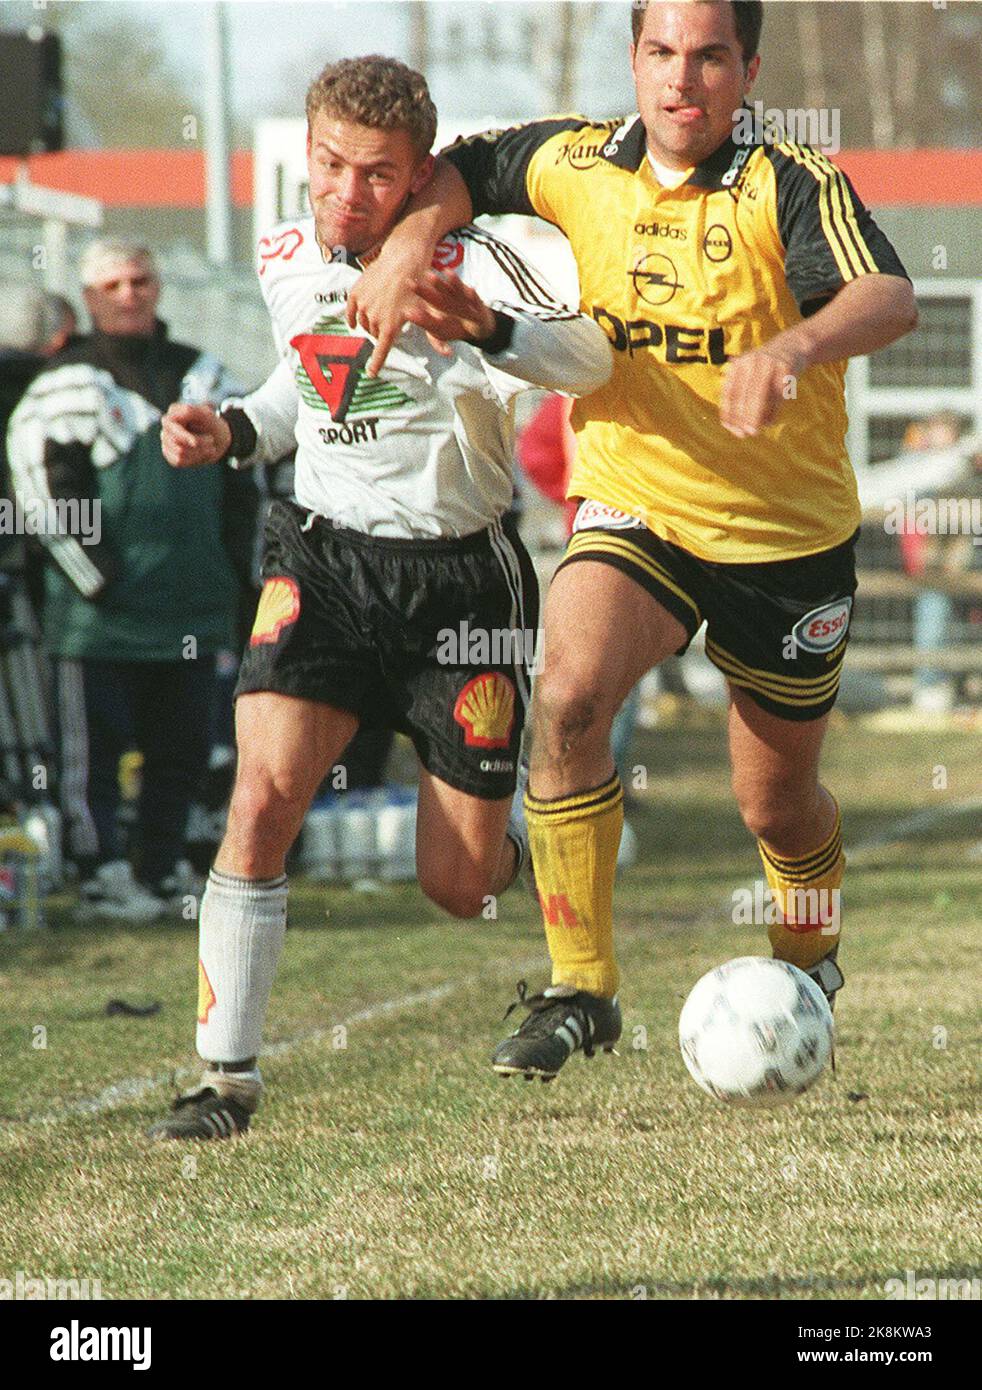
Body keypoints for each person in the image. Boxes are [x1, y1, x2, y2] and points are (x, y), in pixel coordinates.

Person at [345, 0, 919, 1080]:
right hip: (636, 507)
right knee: (564, 695)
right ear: (634, 59)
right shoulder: (575, 160)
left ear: (747, 69)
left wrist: (792, 346)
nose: (681, 79)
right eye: (661, 52)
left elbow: (887, 297)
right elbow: (461, 166)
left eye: (709, 57)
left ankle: (808, 955)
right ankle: (581, 987)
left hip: (782, 540)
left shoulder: (787, 184)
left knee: (776, 804)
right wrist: (416, 233)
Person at [146, 55, 612, 1140]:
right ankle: (225, 1080)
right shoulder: (280, 252)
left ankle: (519, 847)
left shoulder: (483, 260)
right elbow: (301, 386)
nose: (348, 195)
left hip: (463, 582)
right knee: (262, 797)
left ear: (420, 176)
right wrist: (232, 428)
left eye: (378, 175)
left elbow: (590, 364)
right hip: (322, 558)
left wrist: (490, 330)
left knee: (458, 885)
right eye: (331, 166)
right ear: (306, 154)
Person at [7, 238, 258, 920]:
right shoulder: (63, 385)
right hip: (100, 620)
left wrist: (241, 575)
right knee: (93, 757)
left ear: (157, 286)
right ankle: (101, 873)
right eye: (112, 284)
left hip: (193, 611)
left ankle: (164, 866)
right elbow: (42, 492)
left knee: (180, 752)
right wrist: (99, 579)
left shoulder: (206, 375)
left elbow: (246, 482)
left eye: (140, 279)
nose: (129, 293)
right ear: (88, 297)